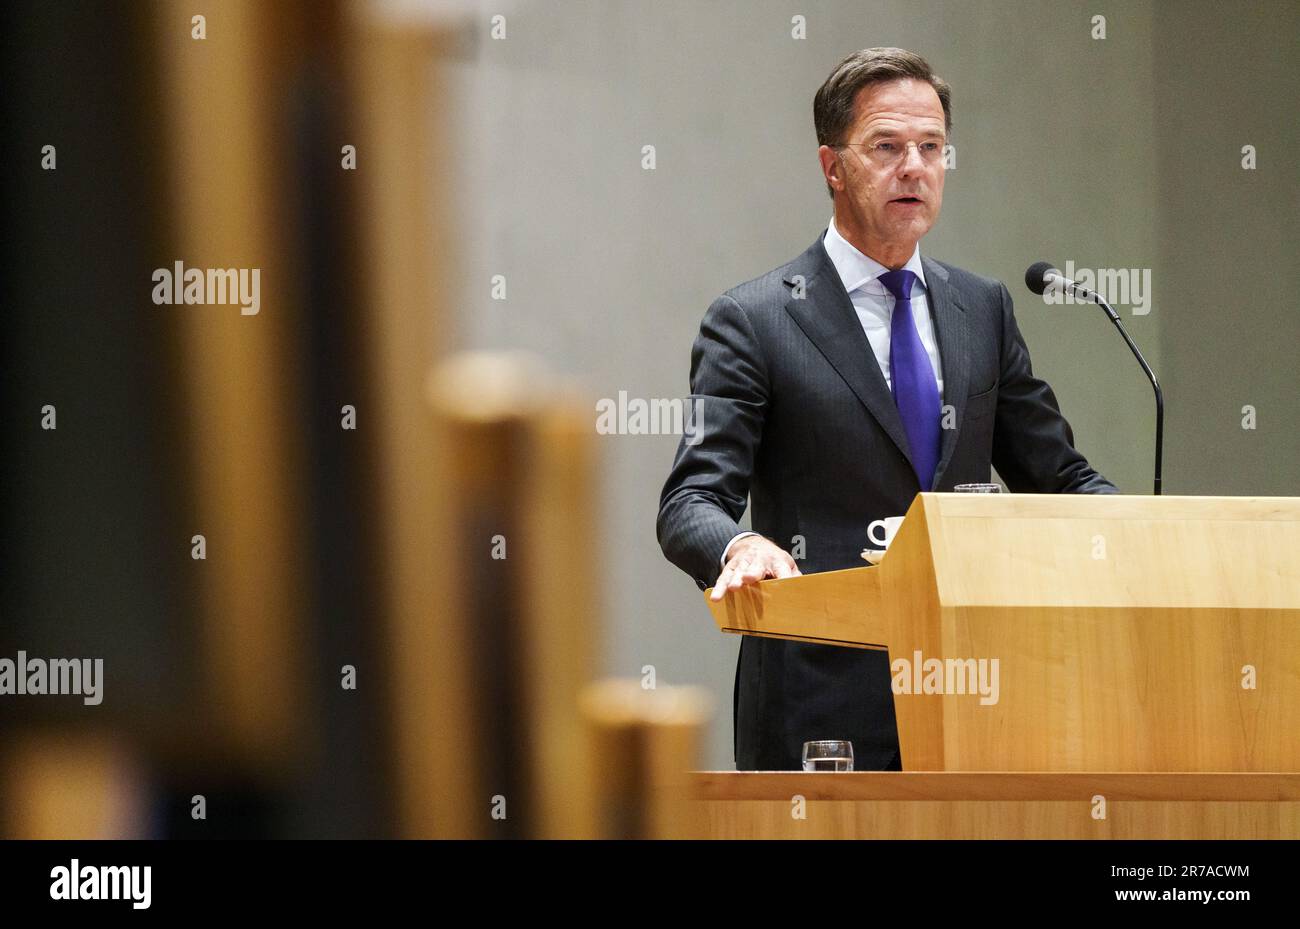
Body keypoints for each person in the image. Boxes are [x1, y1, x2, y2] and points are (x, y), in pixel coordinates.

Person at [657, 47, 1117, 771]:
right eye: (887, 146)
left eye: (931, 147)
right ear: (832, 166)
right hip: (820, 698)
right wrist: (739, 546)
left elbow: (1059, 479)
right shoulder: (755, 320)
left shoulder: (983, 309)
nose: (914, 166)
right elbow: (691, 499)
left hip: (975, 692)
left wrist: (1144, 533)